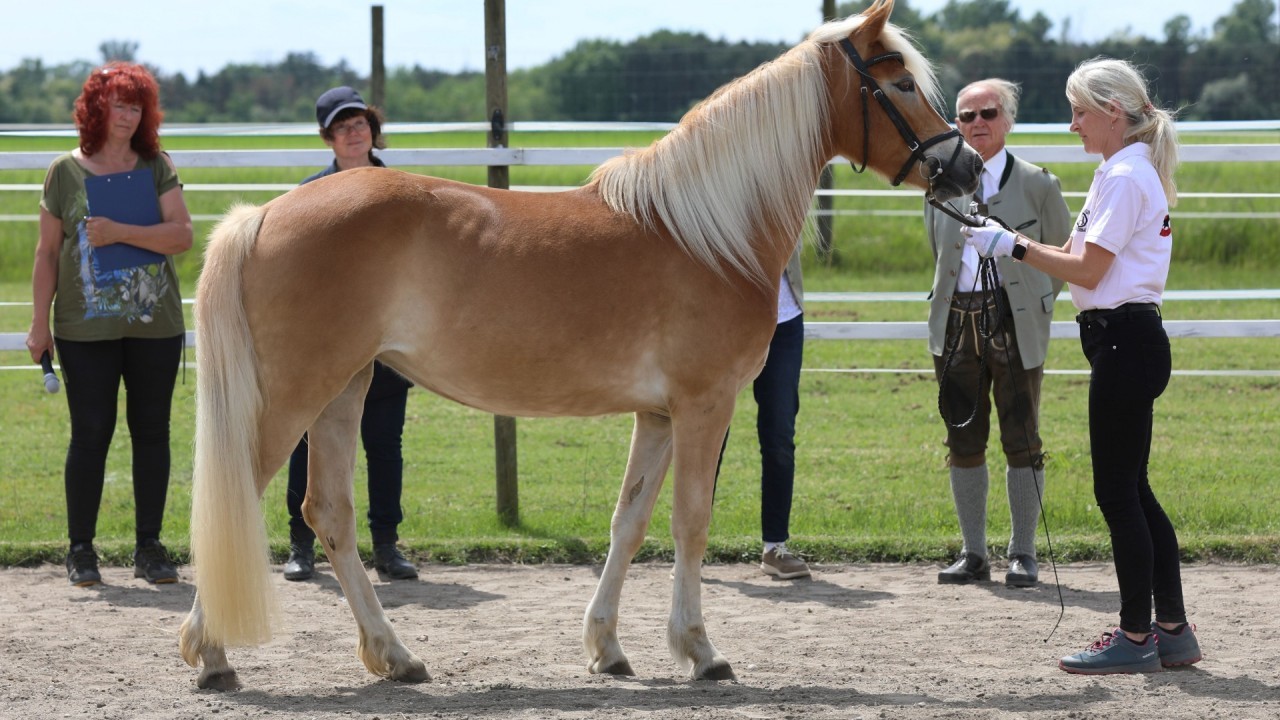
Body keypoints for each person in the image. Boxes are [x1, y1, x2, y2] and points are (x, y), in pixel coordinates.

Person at [963, 57, 1201, 673]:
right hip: (1122, 340)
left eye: (1079, 111)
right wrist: (1001, 233)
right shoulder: (1115, 172)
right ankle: (1170, 629)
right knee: (1135, 490)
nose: (1072, 125)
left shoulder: (1124, 177)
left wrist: (1011, 245)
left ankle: (1135, 635)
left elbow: (1089, 271)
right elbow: (1072, 251)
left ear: (1113, 113)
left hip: (1124, 340)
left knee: (1117, 493)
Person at [26, 62, 192, 587]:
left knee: (152, 434)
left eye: (136, 105)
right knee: (90, 434)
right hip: (83, 330)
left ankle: (150, 547)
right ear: (96, 107)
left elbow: (181, 236)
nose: (127, 115)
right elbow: (47, 253)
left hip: (154, 325)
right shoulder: (63, 171)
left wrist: (119, 230)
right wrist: (38, 325)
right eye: (118, 104)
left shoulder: (156, 165)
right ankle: (81, 550)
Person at [924, 79, 1071, 588]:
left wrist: (1032, 304)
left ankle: (1023, 552)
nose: (977, 123)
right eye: (966, 116)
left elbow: (1061, 256)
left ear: (1008, 120)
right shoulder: (942, 184)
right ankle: (973, 553)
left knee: (1022, 437)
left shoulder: (1038, 184)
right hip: (956, 322)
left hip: (1015, 321)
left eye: (988, 113)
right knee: (962, 436)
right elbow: (939, 255)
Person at [283, 86, 418, 582]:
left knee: (385, 444)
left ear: (372, 127)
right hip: (330, 343)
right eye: (342, 126)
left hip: (393, 341)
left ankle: (387, 545)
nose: (353, 132)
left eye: (359, 122)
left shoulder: (405, 192)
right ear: (328, 138)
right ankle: (302, 545)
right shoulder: (311, 198)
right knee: (308, 445)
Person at [753, 247, 810, 579]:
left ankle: (775, 546)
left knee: (779, 436)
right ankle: (690, 549)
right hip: (725, 313)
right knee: (709, 436)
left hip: (785, 318)